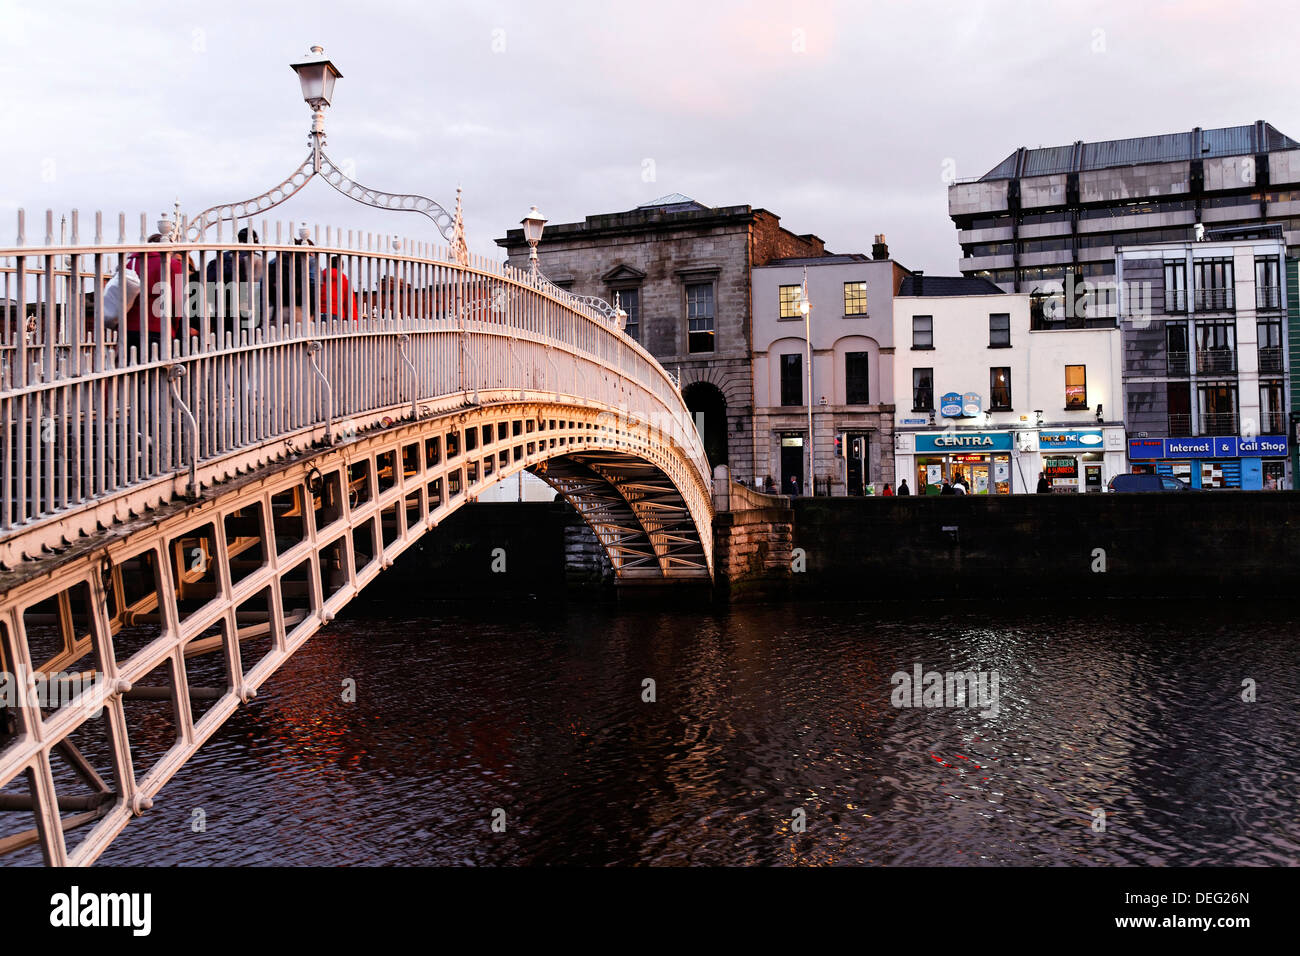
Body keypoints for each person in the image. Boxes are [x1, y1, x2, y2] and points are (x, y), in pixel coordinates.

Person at [123, 234, 187, 359]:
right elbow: (176, 302)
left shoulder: (130, 263)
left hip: (129, 328)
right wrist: (176, 325)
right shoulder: (173, 265)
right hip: (159, 328)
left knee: (131, 372)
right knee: (158, 375)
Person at [321, 255, 359, 321]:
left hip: (317, 314)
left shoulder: (318, 278)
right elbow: (350, 305)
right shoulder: (344, 281)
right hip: (336, 314)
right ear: (341, 267)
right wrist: (354, 323)